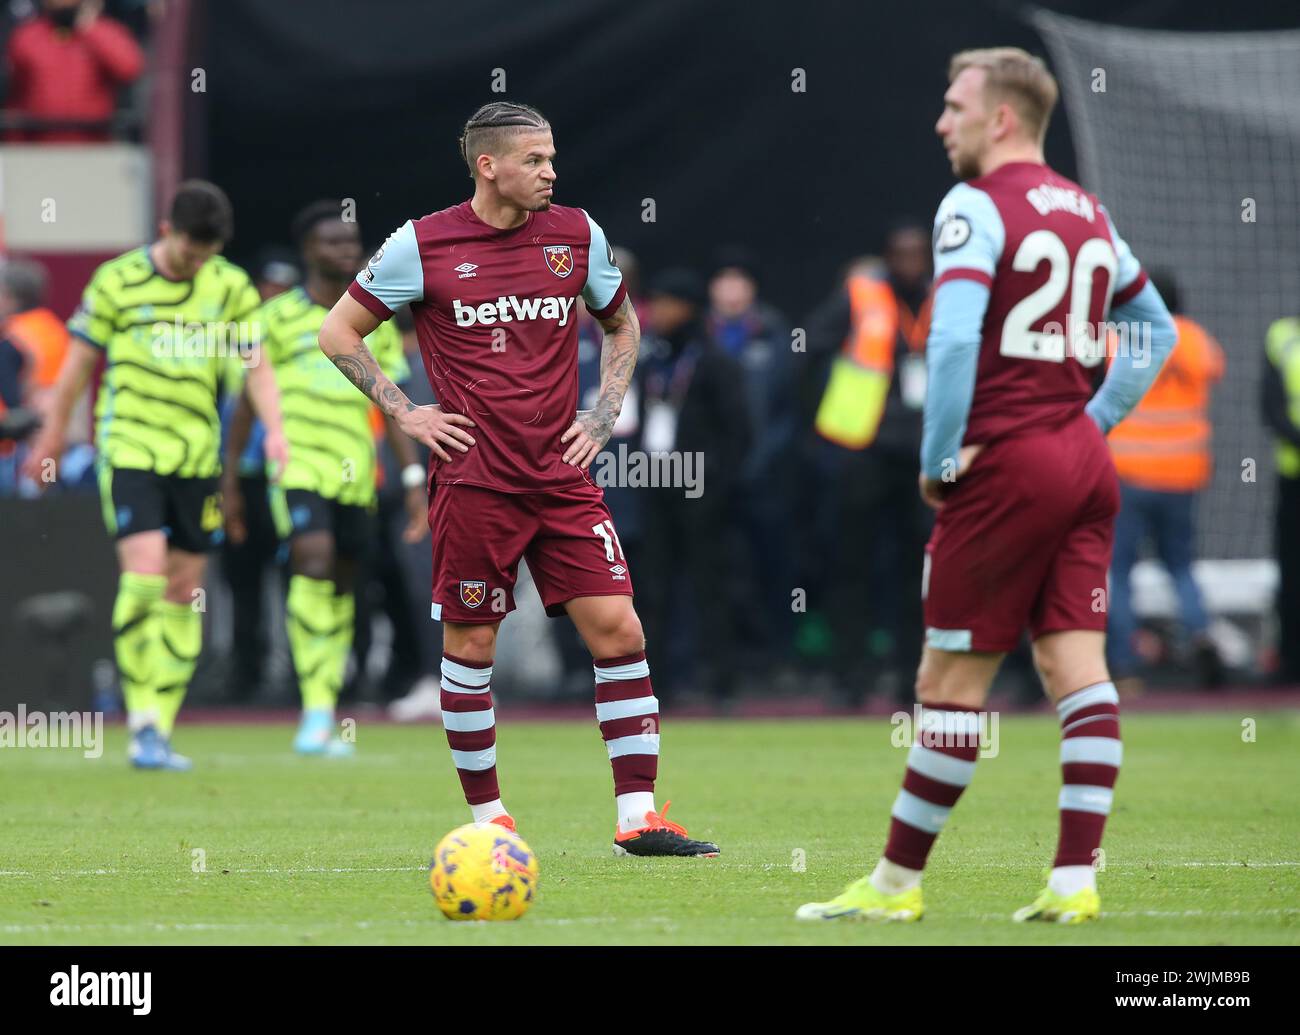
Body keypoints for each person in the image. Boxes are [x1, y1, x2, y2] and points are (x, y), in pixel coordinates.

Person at [797, 47, 1175, 924]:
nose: (942, 121)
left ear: (1000, 117)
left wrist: (938, 463)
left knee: (949, 681)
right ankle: (1076, 881)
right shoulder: (1088, 210)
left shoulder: (973, 204)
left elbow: (956, 343)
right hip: (1083, 464)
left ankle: (894, 887)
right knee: (1076, 668)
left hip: (1006, 463)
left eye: (955, 104)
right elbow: (1152, 327)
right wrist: (1094, 422)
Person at [318, 102, 718, 856]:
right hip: (474, 481)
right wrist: (407, 412)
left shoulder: (576, 234)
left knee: (621, 629)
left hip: (562, 479)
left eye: (552, 158)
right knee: (473, 646)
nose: (550, 172)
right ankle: (488, 820)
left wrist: (601, 416)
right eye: (535, 160)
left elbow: (622, 323)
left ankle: (639, 814)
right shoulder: (422, 244)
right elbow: (336, 330)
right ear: (488, 165)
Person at [24, 180, 288, 769]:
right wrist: (49, 439)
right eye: (190, 253)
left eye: (208, 256)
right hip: (132, 449)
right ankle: (139, 715)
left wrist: (276, 428)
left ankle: (159, 727)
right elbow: (76, 370)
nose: (198, 265)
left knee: (183, 591)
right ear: (166, 232)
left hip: (198, 459)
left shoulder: (230, 287)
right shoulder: (116, 281)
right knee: (143, 577)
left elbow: (255, 366)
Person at [224, 201, 427, 754]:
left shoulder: (374, 320)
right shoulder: (272, 318)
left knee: (342, 582)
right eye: (332, 242)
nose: (345, 251)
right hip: (296, 466)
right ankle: (313, 710)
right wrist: (230, 479)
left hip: (356, 472)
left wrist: (412, 480)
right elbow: (246, 402)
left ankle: (324, 696)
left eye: (352, 242)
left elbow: (395, 406)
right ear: (307, 250)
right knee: (311, 558)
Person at [810, 224, 934, 704]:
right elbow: (812, 352)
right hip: (862, 449)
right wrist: (823, 426)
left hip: (921, 453)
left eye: (918, 254)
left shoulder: (943, 297)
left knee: (915, 572)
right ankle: (850, 680)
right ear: (885, 257)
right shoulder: (860, 295)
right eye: (901, 254)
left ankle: (912, 680)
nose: (910, 262)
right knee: (851, 568)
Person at [635, 268, 751, 705]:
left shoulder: (714, 361)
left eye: (666, 303)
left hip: (701, 487)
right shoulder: (652, 360)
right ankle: (658, 679)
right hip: (656, 481)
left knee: (710, 584)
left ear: (687, 309)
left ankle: (721, 680)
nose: (657, 312)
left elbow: (738, 433)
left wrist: (716, 485)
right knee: (655, 585)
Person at [1106, 272, 1225, 692]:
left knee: (1118, 570)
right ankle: (1199, 634)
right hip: (1183, 474)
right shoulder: (1194, 338)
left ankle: (1125, 666)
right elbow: (1214, 369)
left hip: (1129, 472)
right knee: (1180, 566)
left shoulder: (1122, 337)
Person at [4, 0, 144, 142]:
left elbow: (130, 68)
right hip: (38, 145)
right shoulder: (27, 36)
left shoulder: (104, 32)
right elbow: (14, 94)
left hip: (94, 145)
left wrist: (90, 28)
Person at [1263, 314, 1300, 685]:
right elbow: (1271, 406)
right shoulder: (1282, 336)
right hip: (1293, 475)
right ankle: (1291, 660)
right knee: (1291, 572)